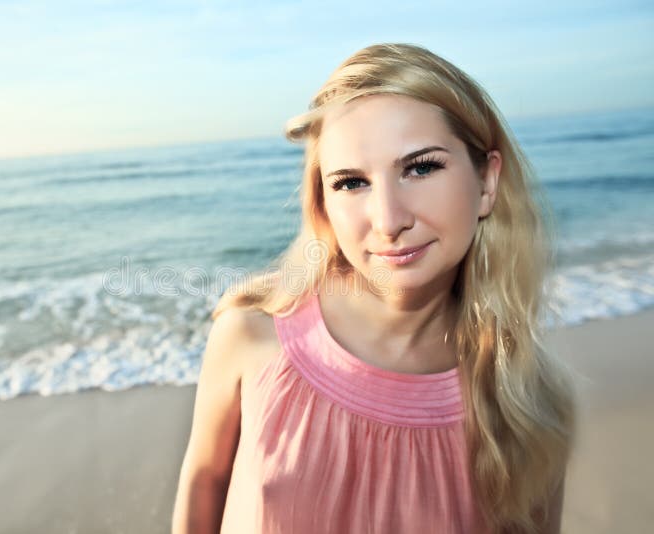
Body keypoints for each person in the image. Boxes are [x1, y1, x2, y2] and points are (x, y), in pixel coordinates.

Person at [171, 43, 576, 534]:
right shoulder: (253, 335)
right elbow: (204, 485)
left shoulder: (525, 403)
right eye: (350, 182)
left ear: (487, 182)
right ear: (322, 202)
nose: (387, 220)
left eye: (420, 168)